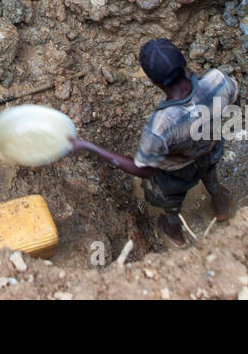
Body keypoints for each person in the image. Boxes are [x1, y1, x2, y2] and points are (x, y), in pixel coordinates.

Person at [68, 38, 238, 246]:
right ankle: (221, 207)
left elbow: (145, 170)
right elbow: (235, 99)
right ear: (183, 60)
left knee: (171, 201)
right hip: (211, 149)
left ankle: (174, 232)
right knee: (210, 175)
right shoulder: (217, 81)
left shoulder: (160, 126)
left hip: (178, 172)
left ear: (152, 81)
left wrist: (90, 146)